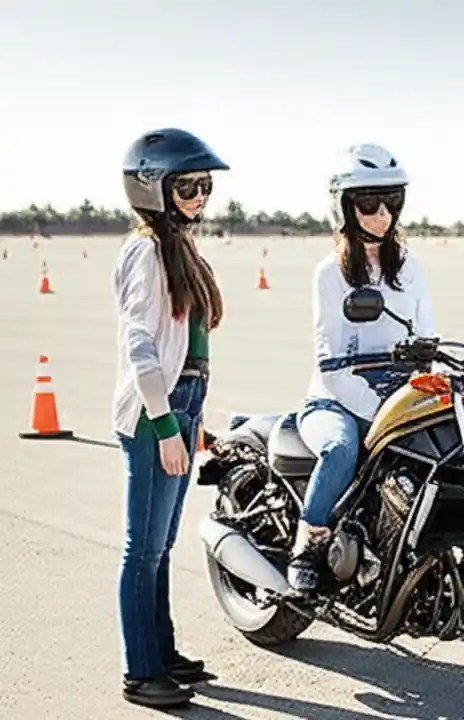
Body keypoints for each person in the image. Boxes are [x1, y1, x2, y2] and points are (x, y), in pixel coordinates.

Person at [287, 143, 437, 593]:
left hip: (399, 397)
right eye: (370, 203)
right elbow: (331, 363)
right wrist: (381, 414)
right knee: (340, 449)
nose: (382, 214)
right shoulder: (329, 274)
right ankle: (310, 540)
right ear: (345, 208)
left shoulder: (410, 268)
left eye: (391, 201)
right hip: (335, 398)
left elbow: (427, 339)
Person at [114, 128, 229, 708]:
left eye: (204, 185)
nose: (199, 195)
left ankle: (162, 652)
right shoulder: (146, 251)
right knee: (142, 548)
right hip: (152, 414)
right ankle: (141, 671)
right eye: (187, 186)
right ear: (153, 188)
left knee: (161, 545)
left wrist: (193, 421)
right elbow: (140, 345)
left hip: (184, 406)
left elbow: (191, 346)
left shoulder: (180, 245)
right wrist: (163, 427)